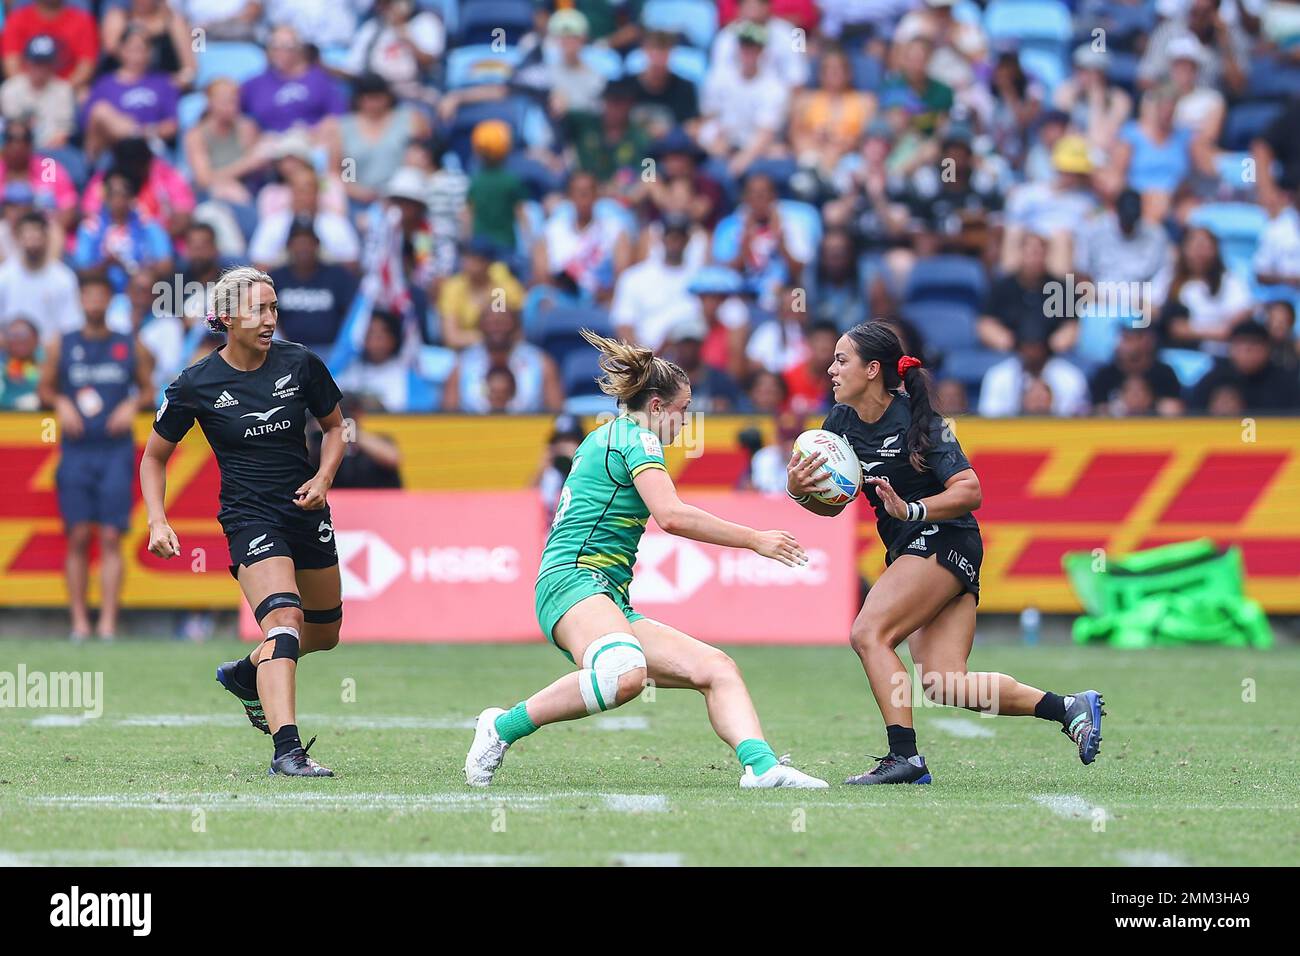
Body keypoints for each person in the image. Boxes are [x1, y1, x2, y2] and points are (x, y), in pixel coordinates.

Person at [465, 330, 828, 790]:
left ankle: (762, 767)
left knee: (716, 669)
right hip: (573, 582)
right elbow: (672, 517)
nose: (684, 423)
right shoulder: (637, 439)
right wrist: (756, 539)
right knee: (623, 673)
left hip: (604, 594)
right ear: (656, 407)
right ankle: (500, 727)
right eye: (681, 412)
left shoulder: (608, 436)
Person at [786, 321, 1105, 784]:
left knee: (868, 633)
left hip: (943, 539)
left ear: (873, 369)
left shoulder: (921, 422)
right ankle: (1068, 707)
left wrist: (912, 509)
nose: (830, 369)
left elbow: (971, 489)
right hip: (912, 549)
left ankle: (905, 758)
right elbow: (830, 508)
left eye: (841, 360)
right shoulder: (839, 424)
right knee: (944, 683)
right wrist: (798, 490)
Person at [141, 267, 347, 777]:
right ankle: (288, 752)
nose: (270, 319)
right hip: (249, 517)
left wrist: (322, 478)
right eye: (260, 309)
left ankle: (244, 673)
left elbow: (337, 428)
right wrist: (157, 520)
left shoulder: (302, 364)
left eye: (274, 308)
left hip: (306, 511)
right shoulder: (195, 383)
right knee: (285, 622)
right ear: (227, 317)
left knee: (324, 634)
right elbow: (153, 458)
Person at [38, 275, 154, 641]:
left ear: (109, 300)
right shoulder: (63, 343)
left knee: (109, 536)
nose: (93, 302)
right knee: (77, 535)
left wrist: (132, 403)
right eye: (87, 296)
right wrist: (61, 402)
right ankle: (78, 622)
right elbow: (44, 387)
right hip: (75, 451)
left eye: (100, 296)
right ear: (79, 300)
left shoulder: (127, 344)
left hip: (115, 451)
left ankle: (107, 622)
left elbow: (150, 387)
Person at [0, 211, 83, 341]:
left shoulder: (64, 278)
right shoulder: (3, 276)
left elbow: (70, 326)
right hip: (9, 353)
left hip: (51, 353)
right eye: (27, 237)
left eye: (36, 237)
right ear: (18, 238)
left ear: (46, 237)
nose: (32, 243)